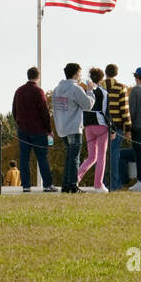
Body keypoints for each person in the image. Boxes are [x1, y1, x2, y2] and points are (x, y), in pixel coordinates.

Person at [51, 63, 94, 194]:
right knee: (74, 157)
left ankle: (66, 185)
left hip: (62, 127)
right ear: (75, 74)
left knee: (69, 156)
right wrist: (90, 91)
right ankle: (73, 185)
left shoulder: (57, 89)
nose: (81, 76)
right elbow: (88, 105)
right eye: (80, 73)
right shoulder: (76, 89)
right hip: (74, 127)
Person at [12, 66, 55, 193]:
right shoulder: (38, 92)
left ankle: (26, 185)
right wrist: (49, 129)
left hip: (23, 130)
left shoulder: (19, 91)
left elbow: (14, 110)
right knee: (42, 158)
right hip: (38, 130)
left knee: (24, 159)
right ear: (38, 76)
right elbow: (44, 112)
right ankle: (47, 184)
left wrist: (19, 122)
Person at [76, 67, 110, 192]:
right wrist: (112, 129)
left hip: (88, 125)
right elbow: (107, 111)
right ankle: (98, 184)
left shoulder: (86, 91)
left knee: (91, 157)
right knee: (101, 156)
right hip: (101, 125)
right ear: (102, 79)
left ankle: (76, 178)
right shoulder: (104, 93)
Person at [102, 64, 132, 192]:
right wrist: (128, 128)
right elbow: (124, 109)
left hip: (101, 125)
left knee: (101, 155)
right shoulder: (121, 87)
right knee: (115, 155)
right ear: (116, 73)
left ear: (105, 73)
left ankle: (101, 182)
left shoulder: (98, 86)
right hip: (117, 125)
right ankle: (114, 184)